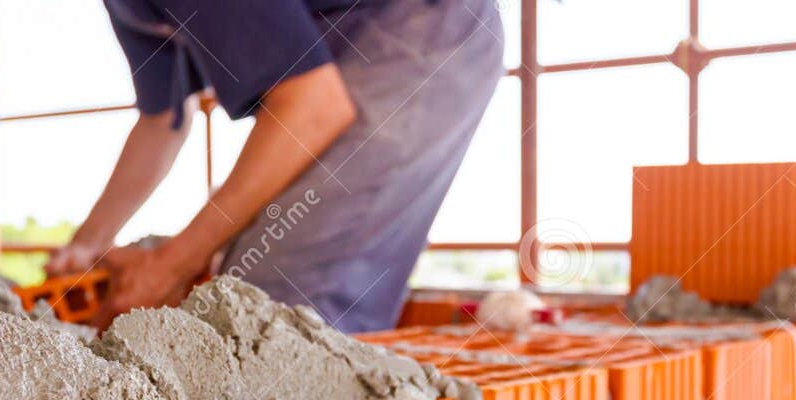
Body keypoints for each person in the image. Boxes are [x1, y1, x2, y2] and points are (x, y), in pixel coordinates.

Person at [44, 0, 504, 333]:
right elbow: (163, 119)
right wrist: (86, 247)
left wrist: (171, 264)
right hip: (330, 57)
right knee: (241, 290)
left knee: (272, 312)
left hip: (410, 29)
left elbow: (312, 107)